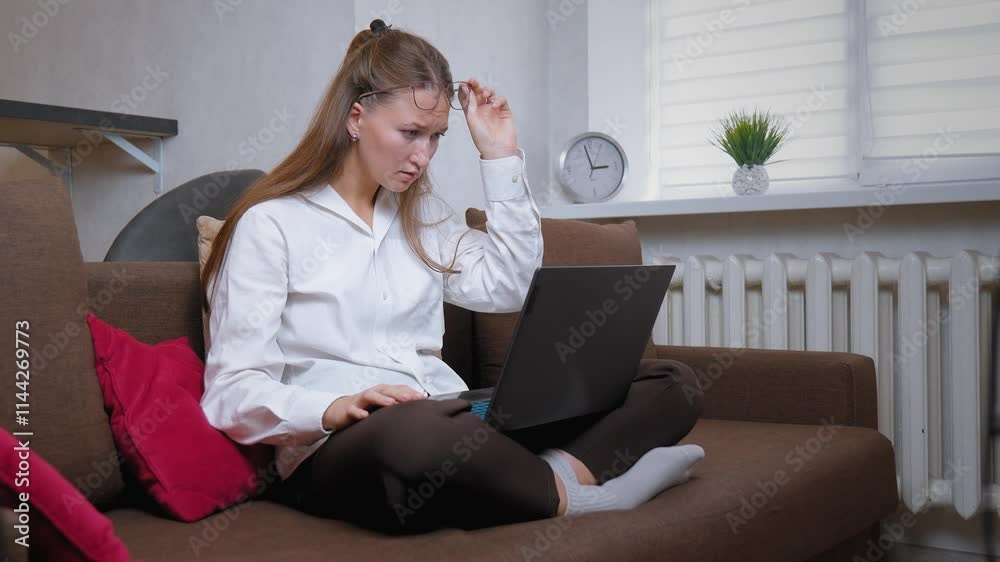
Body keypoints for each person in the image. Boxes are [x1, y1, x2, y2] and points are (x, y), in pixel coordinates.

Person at [199, 19, 704, 535]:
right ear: (356, 117)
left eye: (437, 137)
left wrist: (499, 153)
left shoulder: (424, 220)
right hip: (346, 446)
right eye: (409, 133)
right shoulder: (272, 225)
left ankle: (553, 479)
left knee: (670, 383)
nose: (423, 156)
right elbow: (230, 393)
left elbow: (509, 285)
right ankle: (584, 495)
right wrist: (334, 407)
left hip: (447, 419)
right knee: (412, 432)